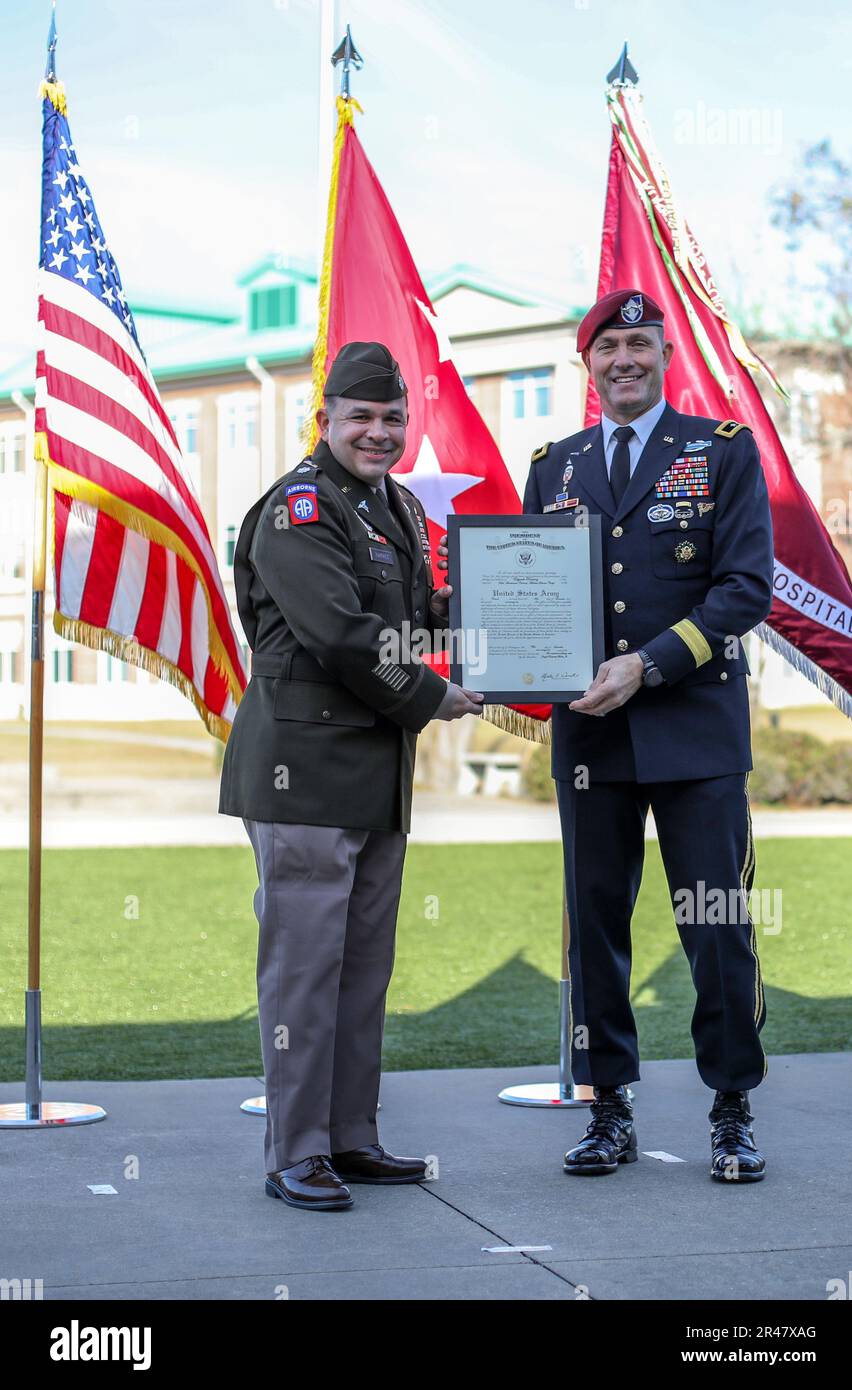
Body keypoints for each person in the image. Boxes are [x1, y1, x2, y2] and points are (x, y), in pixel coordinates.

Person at [438, 288, 773, 1183]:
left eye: (639, 344)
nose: (624, 359)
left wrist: (648, 665)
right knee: (594, 929)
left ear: (664, 353)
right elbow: (530, 591)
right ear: (585, 366)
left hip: (695, 730)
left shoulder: (720, 451)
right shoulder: (556, 466)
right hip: (591, 742)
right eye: (607, 348)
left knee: (716, 927)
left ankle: (732, 1108)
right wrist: (497, 655)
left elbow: (744, 590)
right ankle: (609, 1109)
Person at [220, 341, 482, 1212]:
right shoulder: (300, 508)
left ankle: (350, 1137)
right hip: (304, 773)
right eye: (361, 416)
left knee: (362, 969)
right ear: (324, 419)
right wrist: (432, 692)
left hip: (371, 773)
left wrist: (520, 588)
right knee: (304, 971)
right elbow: (338, 632)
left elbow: (413, 612)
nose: (379, 431)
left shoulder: (393, 506)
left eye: (392, 418)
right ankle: (294, 1152)